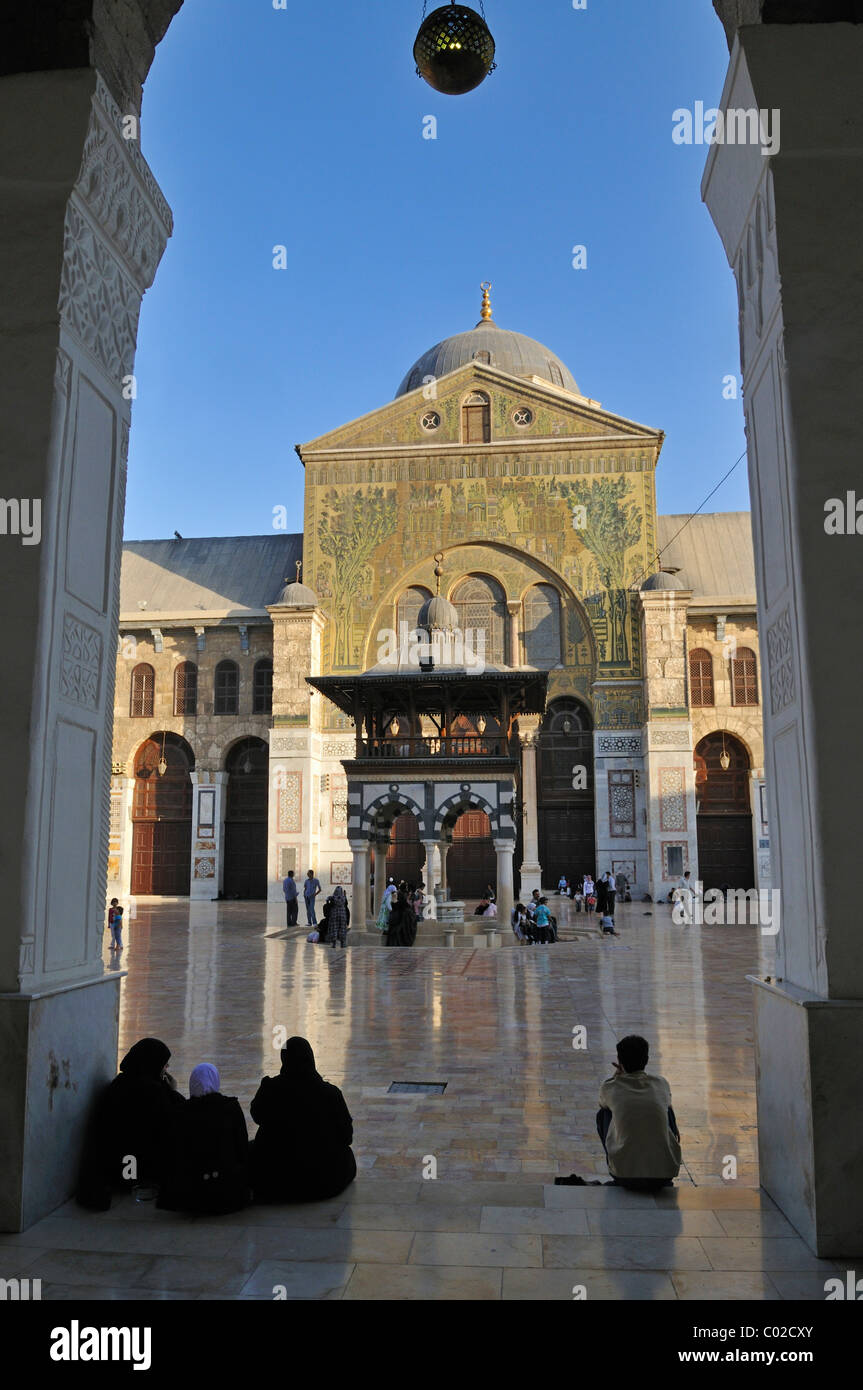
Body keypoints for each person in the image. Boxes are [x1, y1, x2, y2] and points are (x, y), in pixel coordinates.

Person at [556, 1035, 681, 1191]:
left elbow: (602, 1103)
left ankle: (620, 1159)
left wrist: (617, 1076)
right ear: (647, 1059)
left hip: (625, 1175)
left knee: (604, 1113)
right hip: (665, 1175)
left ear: (619, 1060)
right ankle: (659, 1160)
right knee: (666, 1108)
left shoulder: (610, 1087)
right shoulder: (662, 1083)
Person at [76, 1037, 185, 1210]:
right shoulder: (153, 1092)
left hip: (117, 1169)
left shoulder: (118, 1086)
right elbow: (176, 1120)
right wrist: (172, 1091)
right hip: (136, 1175)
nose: (166, 1069)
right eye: (164, 1064)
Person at [250, 1036, 356, 1203]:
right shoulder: (330, 1094)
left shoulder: (270, 1089)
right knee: (346, 1156)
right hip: (323, 1182)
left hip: (275, 1182)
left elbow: (256, 1115)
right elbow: (346, 1137)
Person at [157, 1063, 250, 1215]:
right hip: (227, 1197)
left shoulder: (181, 1112)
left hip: (188, 1198)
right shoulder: (230, 1107)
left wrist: (171, 1091)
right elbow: (242, 1147)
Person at [325, 884, 350, 949]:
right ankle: (343, 943)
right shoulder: (344, 898)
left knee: (334, 928)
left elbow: (327, 901)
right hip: (342, 915)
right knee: (342, 929)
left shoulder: (332, 898)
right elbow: (346, 905)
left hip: (334, 915)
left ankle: (333, 943)